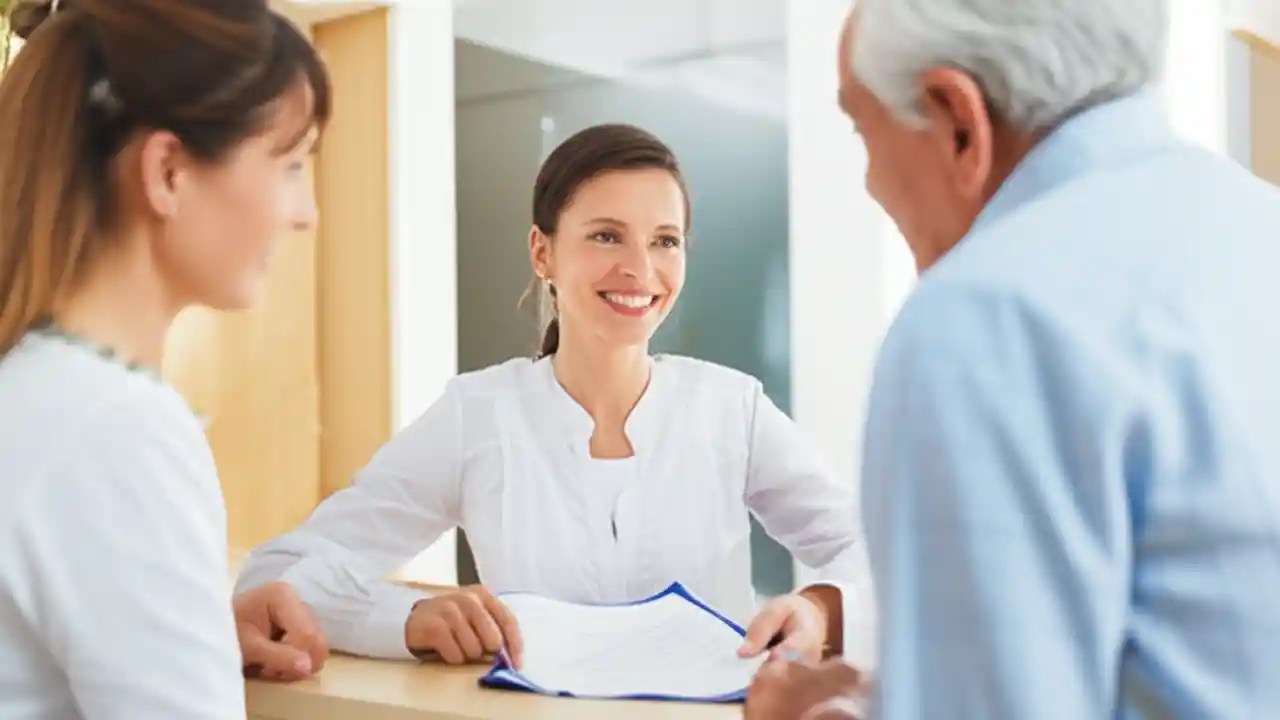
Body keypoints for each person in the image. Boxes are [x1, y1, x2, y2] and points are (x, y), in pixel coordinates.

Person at [747, 0, 1280, 717]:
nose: (870, 182)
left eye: (860, 128)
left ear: (958, 120)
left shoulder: (986, 317)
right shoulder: (1256, 225)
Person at [237, 123, 873, 669]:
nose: (641, 269)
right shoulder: (479, 414)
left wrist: (823, 609)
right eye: (605, 235)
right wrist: (408, 619)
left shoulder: (733, 408)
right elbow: (280, 574)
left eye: (665, 240)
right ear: (542, 251)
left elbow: (877, 554)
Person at [0, 0, 331, 715]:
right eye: (292, 164)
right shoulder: (116, 429)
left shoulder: (35, 389)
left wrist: (192, 630)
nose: (306, 213)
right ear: (169, 172)